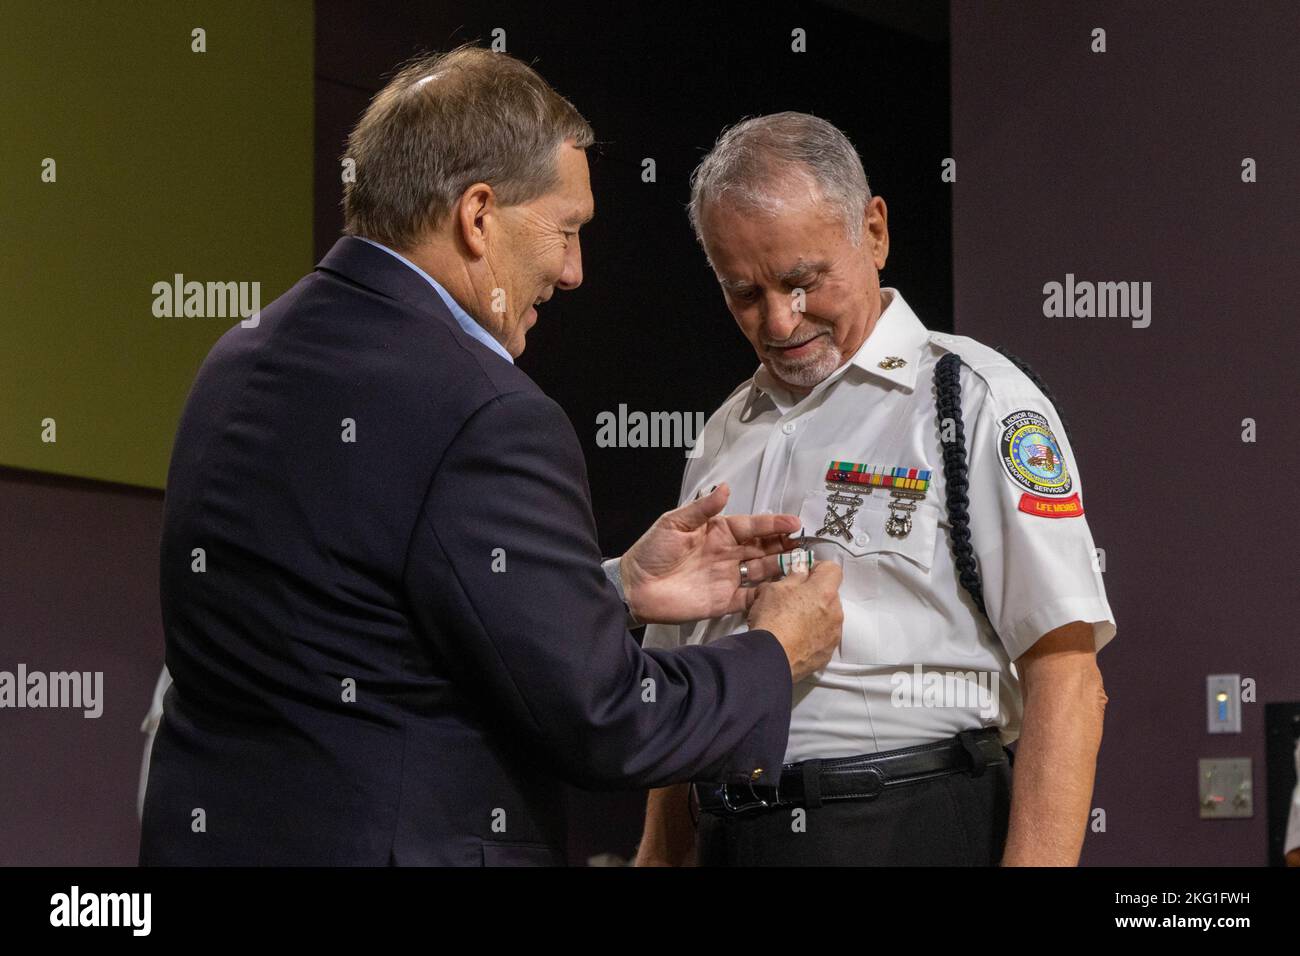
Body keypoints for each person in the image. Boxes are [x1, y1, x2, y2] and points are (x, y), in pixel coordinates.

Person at [139, 48, 843, 866]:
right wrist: (773, 652)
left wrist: (612, 589)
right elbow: (605, 719)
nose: (574, 272)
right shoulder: (488, 410)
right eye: (567, 228)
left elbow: (366, 618)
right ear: (478, 216)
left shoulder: (236, 358)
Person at [636, 112, 1116, 867]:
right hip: (733, 835)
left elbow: (1068, 679)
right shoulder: (723, 432)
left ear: (875, 231)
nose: (779, 319)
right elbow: (683, 670)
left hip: (911, 826)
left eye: (802, 280)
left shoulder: (976, 401)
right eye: (743, 292)